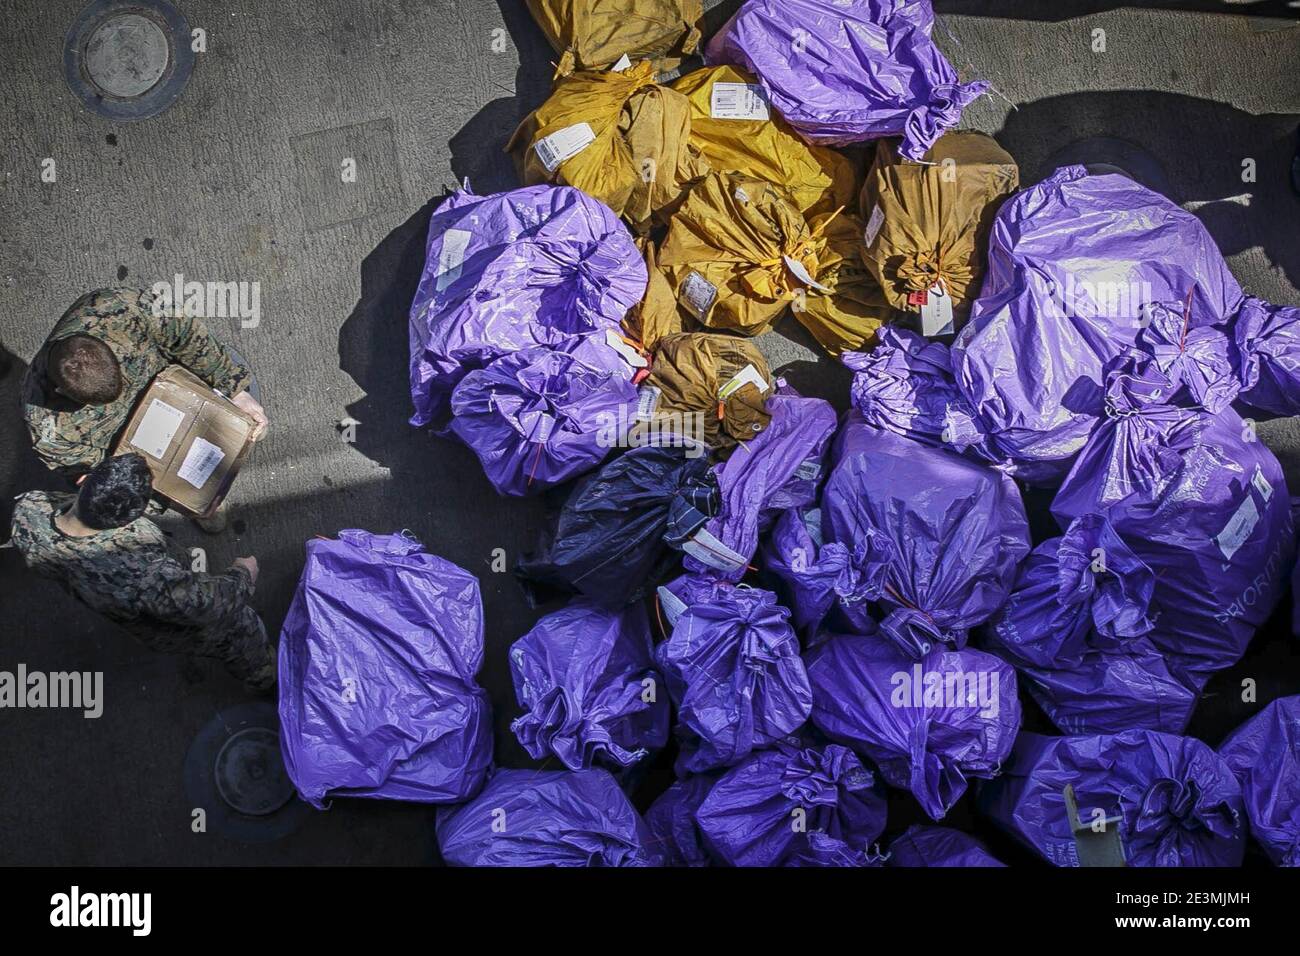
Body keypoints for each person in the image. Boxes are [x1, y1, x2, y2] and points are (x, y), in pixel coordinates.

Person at [8, 453, 276, 692]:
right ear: (126, 523)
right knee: (239, 627)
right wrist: (242, 574)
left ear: (84, 482)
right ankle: (265, 677)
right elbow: (205, 605)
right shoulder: (140, 574)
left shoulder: (29, 509)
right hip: (166, 623)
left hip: (92, 589)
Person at [21, 287, 268, 529]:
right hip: (138, 452)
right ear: (61, 393)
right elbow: (108, 478)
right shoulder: (50, 432)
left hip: (180, 394)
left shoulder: (113, 310)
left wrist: (234, 389)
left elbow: (185, 334)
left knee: (244, 426)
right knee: (194, 494)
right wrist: (176, 499)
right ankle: (198, 503)